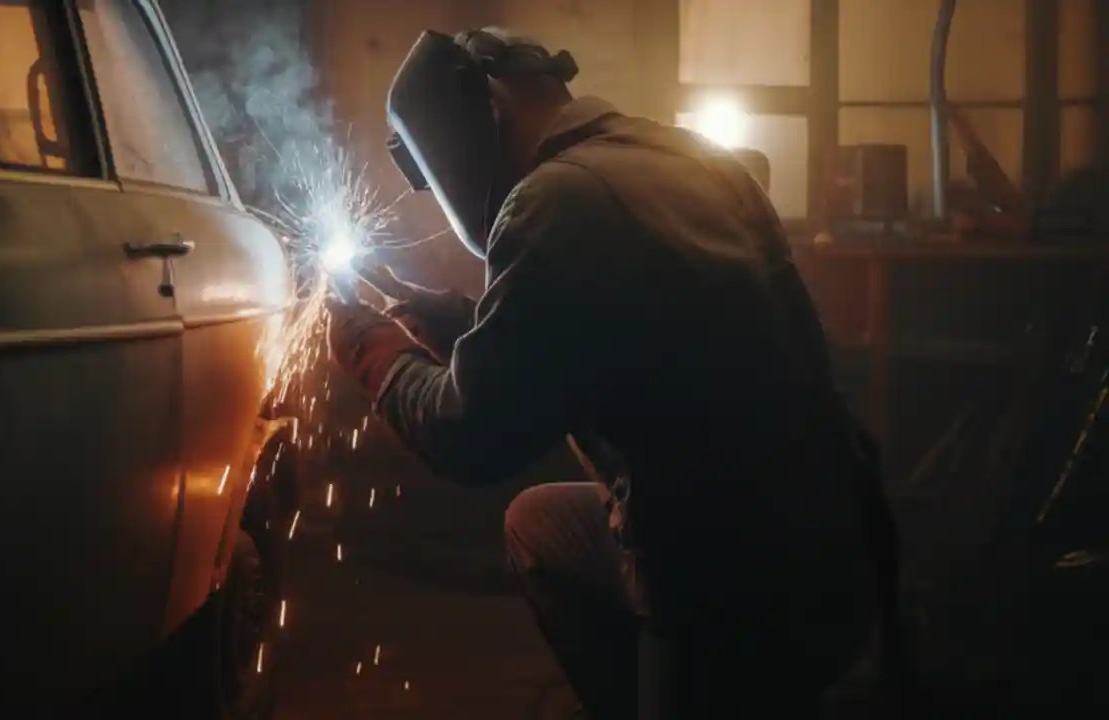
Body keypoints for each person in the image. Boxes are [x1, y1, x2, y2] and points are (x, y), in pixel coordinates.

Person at [328, 27, 903, 717]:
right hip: (839, 550)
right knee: (540, 521)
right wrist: (457, 320)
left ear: (488, 110)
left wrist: (370, 348)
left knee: (552, 530)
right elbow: (607, 322)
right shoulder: (691, 157)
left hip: (727, 594)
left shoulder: (551, 200)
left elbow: (471, 435)